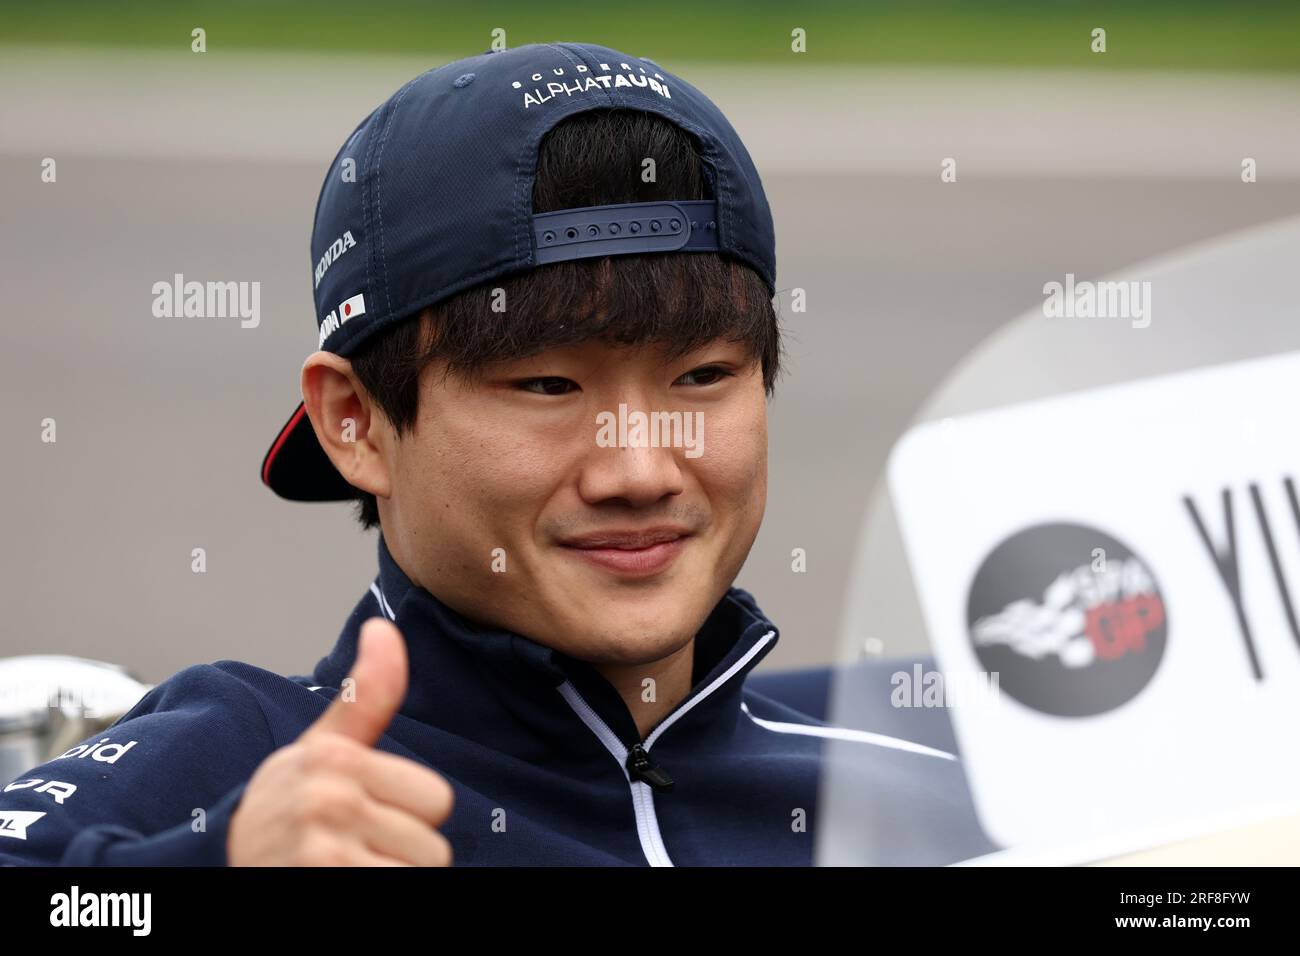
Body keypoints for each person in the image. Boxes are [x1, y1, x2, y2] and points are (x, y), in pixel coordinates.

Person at [0, 42, 995, 866]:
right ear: (354, 420)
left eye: (701, 376)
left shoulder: (944, 744)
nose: (639, 468)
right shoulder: (257, 760)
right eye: (548, 387)